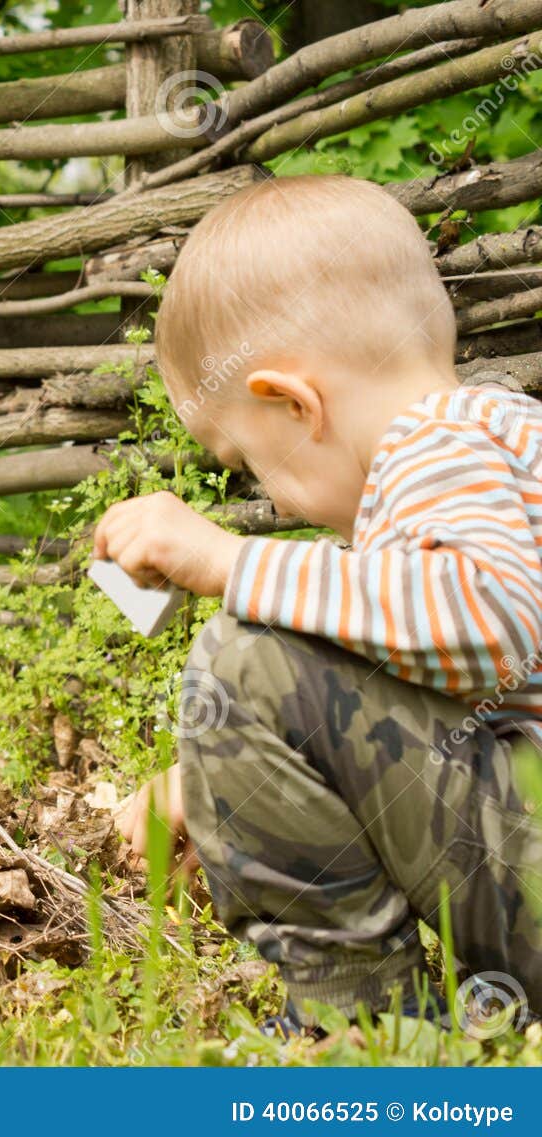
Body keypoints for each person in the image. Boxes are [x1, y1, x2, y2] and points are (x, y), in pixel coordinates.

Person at [98, 173, 542, 1034]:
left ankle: (362, 1030)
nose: (279, 505)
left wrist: (229, 559)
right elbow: (416, 692)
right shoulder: (499, 439)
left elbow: (487, 620)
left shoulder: (440, 447)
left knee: (247, 659)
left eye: (252, 466)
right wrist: (229, 782)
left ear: (296, 405)